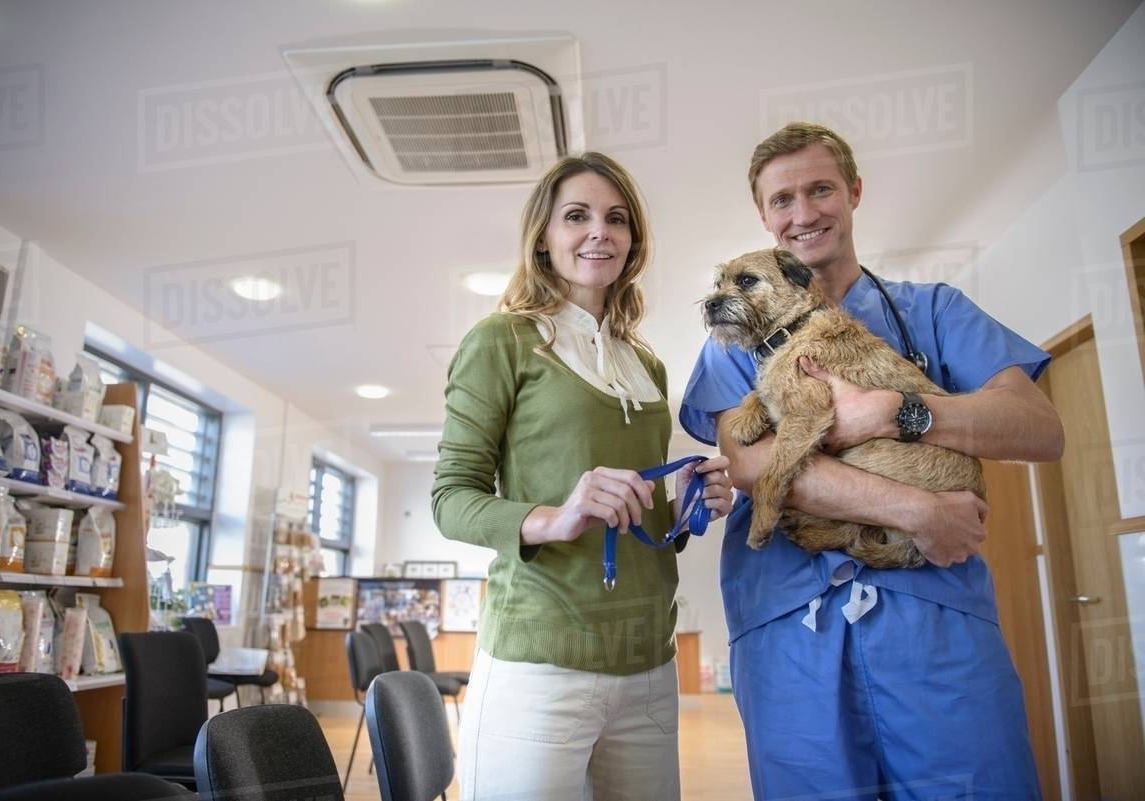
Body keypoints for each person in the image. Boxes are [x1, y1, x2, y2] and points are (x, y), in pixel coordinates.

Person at [681, 122, 1064, 800]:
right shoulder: (735, 336)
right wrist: (916, 507)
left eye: (821, 188)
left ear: (853, 192)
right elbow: (747, 465)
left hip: (935, 617)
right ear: (763, 216)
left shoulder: (932, 312)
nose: (803, 213)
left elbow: (1039, 429)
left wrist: (894, 410)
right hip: (789, 621)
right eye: (782, 199)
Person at [432, 151, 733, 801]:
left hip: (650, 665)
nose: (600, 231)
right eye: (577, 215)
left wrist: (685, 508)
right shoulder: (502, 340)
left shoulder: (645, 365)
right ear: (543, 236)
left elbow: (641, 514)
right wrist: (554, 516)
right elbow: (451, 496)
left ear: (633, 240)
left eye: (616, 218)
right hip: (538, 666)